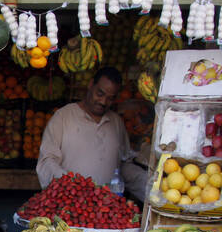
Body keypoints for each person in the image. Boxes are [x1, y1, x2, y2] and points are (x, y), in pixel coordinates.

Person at [36, 66, 148, 199]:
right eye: (100, 94)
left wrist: (148, 185)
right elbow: (46, 162)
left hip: (106, 208)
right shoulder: (63, 117)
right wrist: (71, 187)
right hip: (69, 205)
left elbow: (123, 165)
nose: (103, 101)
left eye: (110, 98)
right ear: (90, 85)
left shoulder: (116, 122)